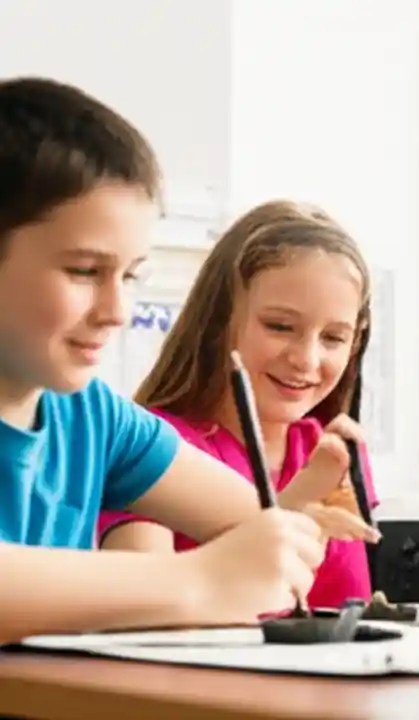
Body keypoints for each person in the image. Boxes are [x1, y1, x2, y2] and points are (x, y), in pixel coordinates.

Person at [0, 76, 368, 643]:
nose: (118, 310)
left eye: (129, 275)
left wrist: (297, 513)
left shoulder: (96, 417)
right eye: (83, 271)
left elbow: (256, 519)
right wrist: (195, 579)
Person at [98, 200, 380, 610]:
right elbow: (143, 617)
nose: (307, 358)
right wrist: (296, 510)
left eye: (334, 338)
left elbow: (348, 615)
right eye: (279, 327)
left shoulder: (330, 453)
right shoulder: (153, 447)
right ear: (219, 322)